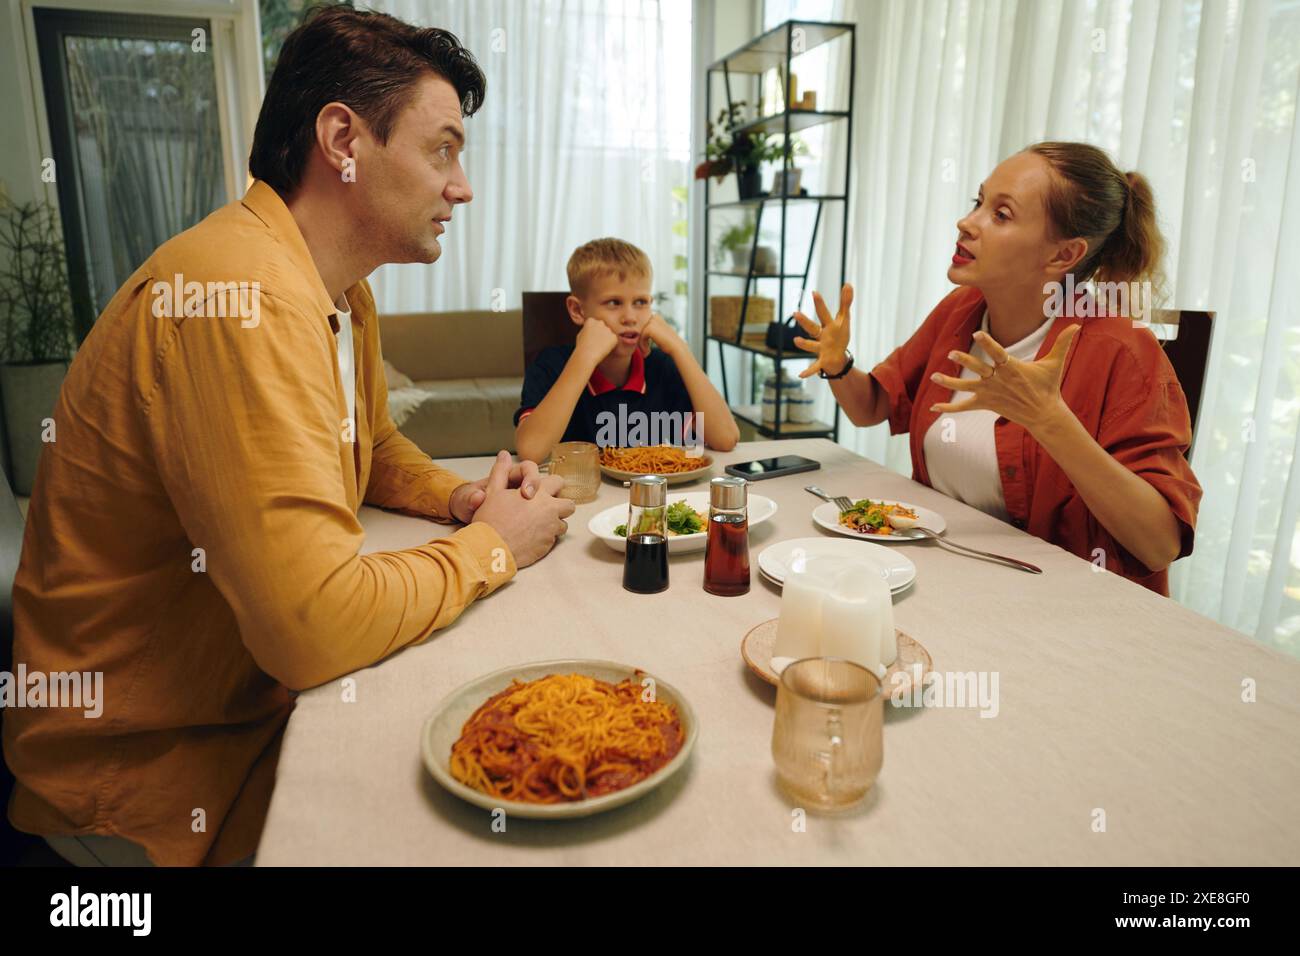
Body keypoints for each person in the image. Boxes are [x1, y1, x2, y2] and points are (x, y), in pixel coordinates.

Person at [4, 4, 573, 867]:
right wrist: (493, 546)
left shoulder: (338, 289)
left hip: (238, 715)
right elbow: (311, 630)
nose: (462, 186)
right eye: (444, 149)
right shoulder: (244, 295)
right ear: (342, 139)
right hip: (144, 784)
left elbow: (371, 447)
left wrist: (460, 499)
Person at [794, 142, 1201, 595]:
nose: (967, 223)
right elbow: (871, 407)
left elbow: (1159, 544)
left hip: (1056, 604)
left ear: (1063, 256)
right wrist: (839, 366)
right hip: (942, 576)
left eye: (1001, 214)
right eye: (978, 202)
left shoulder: (1122, 349)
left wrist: (1051, 422)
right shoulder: (962, 310)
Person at [513, 238, 739, 463]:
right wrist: (585, 357)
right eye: (613, 303)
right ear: (577, 310)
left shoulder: (661, 367)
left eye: (641, 302)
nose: (630, 317)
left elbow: (725, 439)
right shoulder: (550, 364)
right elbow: (531, 451)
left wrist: (680, 349)